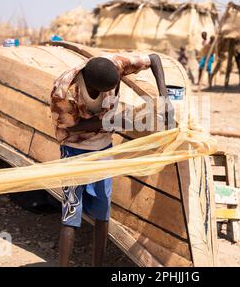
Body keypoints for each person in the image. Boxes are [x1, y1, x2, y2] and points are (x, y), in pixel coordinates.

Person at [50, 52, 171, 267]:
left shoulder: (115, 65)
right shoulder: (64, 91)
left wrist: (164, 97)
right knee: (71, 212)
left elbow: (154, 58)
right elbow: (69, 128)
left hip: (104, 150)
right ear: (90, 85)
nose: (109, 97)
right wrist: (108, 122)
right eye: (104, 93)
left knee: (102, 211)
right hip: (74, 149)